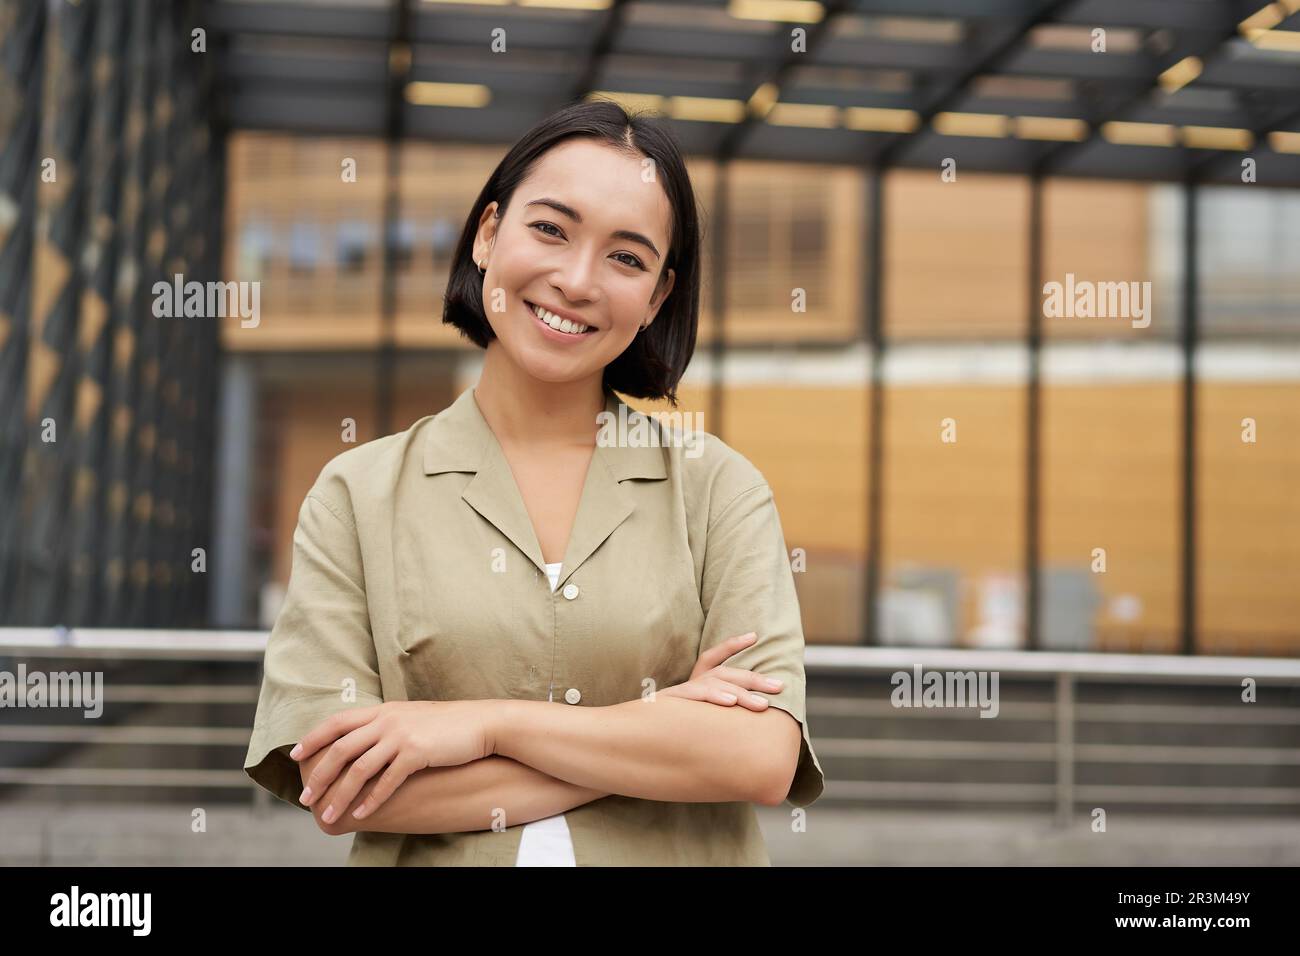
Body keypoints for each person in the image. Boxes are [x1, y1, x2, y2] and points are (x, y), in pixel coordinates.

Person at [243, 99, 824, 866]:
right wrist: (661, 738)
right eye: (550, 229)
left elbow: (756, 759)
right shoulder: (358, 493)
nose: (576, 280)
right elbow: (342, 784)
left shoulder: (717, 490)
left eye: (627, 257)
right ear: (488, 235)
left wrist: (483, 726)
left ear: (657, 297)